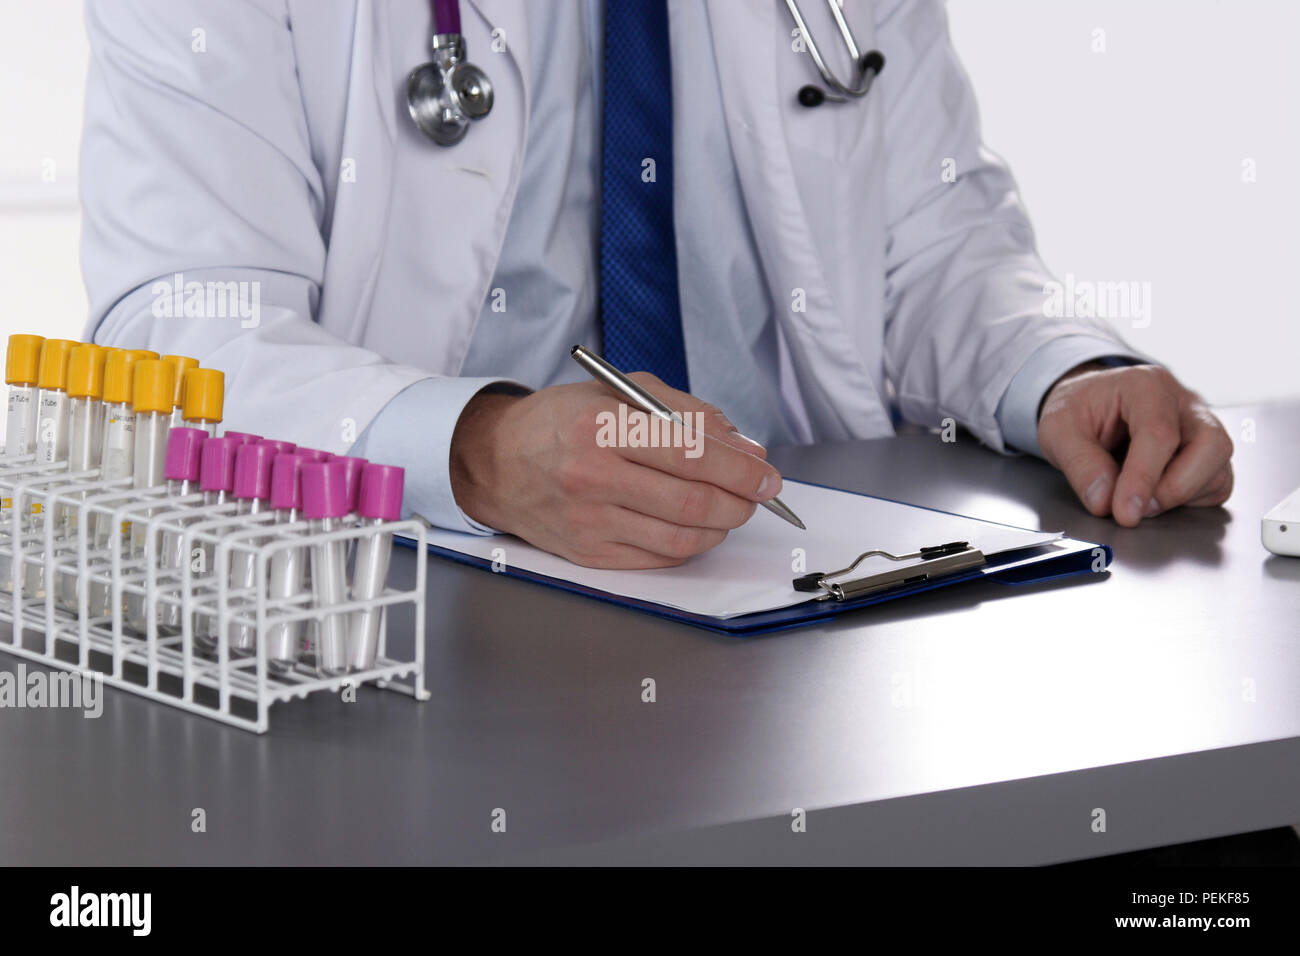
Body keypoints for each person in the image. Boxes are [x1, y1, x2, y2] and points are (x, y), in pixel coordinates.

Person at [79, 0, 1233, 569]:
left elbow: (935, 238)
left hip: (790, 580)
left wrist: (1059, 367)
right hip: (411, 601)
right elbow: (181, 323)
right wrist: (473, 450)